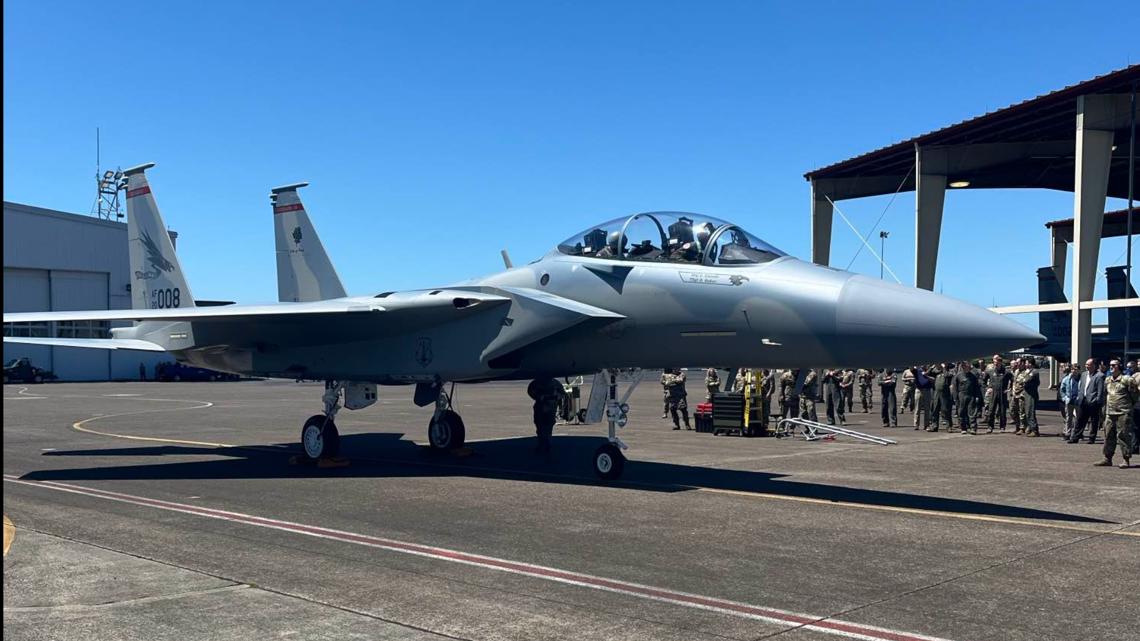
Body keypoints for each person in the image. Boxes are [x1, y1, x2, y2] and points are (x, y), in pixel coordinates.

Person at [1094, 359, 1137, 468]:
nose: (1111, 367)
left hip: (1123, 412)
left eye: (1114, 365)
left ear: (1119, 366)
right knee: (1108, 436)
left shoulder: (1127, 380)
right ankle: (1107, 458)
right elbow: (1105, 395)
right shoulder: (1108, 380)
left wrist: (1129, 406)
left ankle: (1126, 459)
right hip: (1110, 412)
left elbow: (1135, 395)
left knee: (1123, 436)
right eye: (1110, 365)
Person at [1070, 358, 1106, 444]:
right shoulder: (1083, 374)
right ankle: (1075, 437)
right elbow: (1081, 387)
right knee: (1080, 419)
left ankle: (1092, 438)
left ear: (1094, 366)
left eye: (1088, 365)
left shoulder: (1099, 376)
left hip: (1093, 401)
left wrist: (1097, 400)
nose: (1086, 366)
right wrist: (1079, 397)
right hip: (1083, 400)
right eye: (1086, 364)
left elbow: (1100, 390)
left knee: (1094, 421)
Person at [527, 378, 567, 455]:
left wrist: (557, 397)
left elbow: (562, 394)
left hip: (550, 407)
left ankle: (546, 444)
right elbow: (531, 391)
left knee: (547, 427)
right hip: (541, 407)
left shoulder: (555, 383)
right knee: (540, 427)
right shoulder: (538, 383)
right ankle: (543, 443)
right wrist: (539, 397)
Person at [983, 355, 1012, 433]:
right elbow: (983, 380)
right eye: (994, 363)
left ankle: (1002, 427)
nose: (995, 364)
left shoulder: (1006, 372)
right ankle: (990, 427)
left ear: (1000, 362)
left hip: (1002, 393)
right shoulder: (990, 371)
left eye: (997, 363)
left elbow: (1013, 380)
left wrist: (1009, 389)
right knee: (991, 411)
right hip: (993, 393)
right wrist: (987, 388)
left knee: (1002, 411)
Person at [954, 361, 980, 434]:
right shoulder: (958, 376)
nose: (968, 367)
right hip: (961, 395)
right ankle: (963, 428)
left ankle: (973, 428)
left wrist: (977, 396)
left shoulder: (973, 376)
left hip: (971, 395)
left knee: (972, 413)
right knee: (961, 412)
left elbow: (977, 387)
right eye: (967, 366)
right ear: (963, 367)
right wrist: (955, 398)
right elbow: (955, 388)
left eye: (969, 366)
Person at [1059, 363, 1080, 441]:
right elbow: (1062, 389)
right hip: (1069, 401)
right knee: (1068, 418)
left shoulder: (1081, 379)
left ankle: (1077, 433)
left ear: (1078, 370)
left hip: (1078, 401)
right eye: (1072, 369)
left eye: (1075, 369)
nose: (1073, 371)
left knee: (1078, 418)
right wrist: (1064, 398)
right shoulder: (1067, 379)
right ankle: (1068, 433)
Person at [1020, 356, 1040, 437]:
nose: (1025, 364)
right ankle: (1031, 428)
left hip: (1032, 394)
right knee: (1027, 412)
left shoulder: (1034, 372)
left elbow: (1025, 380)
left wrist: (1023, 381)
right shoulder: (1027, 371)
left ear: (1030, 363)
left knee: (1030, 412)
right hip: (1027, 394)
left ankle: (1035, 430)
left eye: (1027, 363)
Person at [931, 364, 953, 432]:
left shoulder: (949, 372)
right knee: (935, 409)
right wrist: (932, 366)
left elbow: (947, 375)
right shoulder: (936, 372)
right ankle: (934, 425)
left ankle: (949, 426)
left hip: (945, 393)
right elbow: (927, 373)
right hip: (936, 393)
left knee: (945, 410)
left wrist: (944, 367)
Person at [1009, 358, 1026, 434]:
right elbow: (1014, 382)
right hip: (1014, 394)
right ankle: (1017, 425)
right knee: (1012, 410)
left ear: (1022, 363)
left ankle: (1022, 427)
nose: (1016, 364)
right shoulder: (1016, 371)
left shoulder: (1026, 372)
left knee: (1021, 412)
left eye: (1018, 363)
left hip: (1021, 395)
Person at [913, 366, 933, 431]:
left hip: (927, 390)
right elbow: (911, 368)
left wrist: (927, 376)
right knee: (917, 408)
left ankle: (927, 425)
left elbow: (933, 379)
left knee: (927, 408)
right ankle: (916, 424)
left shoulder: (930, 370)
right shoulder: (916, 370)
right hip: (919, 390)